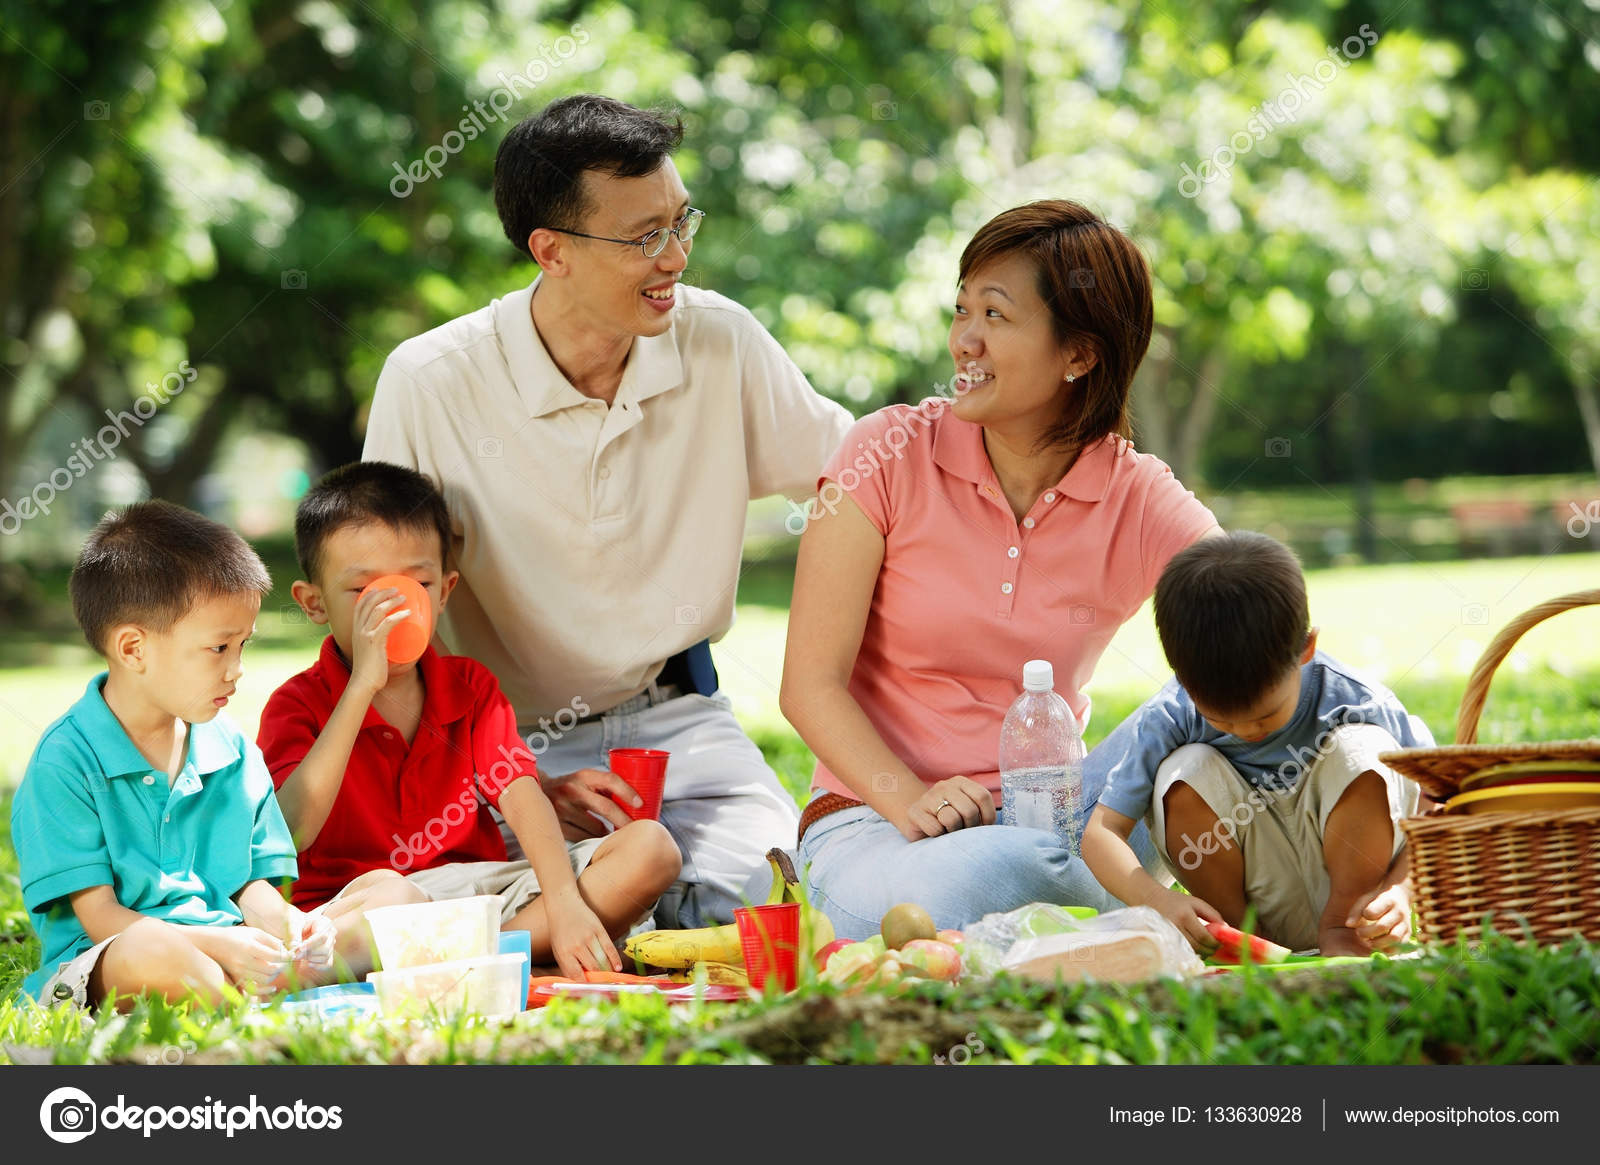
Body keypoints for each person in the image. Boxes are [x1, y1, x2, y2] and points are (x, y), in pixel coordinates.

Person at [362, 94, 852, 928]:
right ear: (549, 251)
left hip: (677, 722)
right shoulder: (430, 380)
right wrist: (496, 771)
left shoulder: (718, 342)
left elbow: (859, 485)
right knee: (460, 897)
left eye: (680, 221)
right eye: (642, 237)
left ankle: (611, 911)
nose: (676, 257)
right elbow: (378, 612)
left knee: (781, 898)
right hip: (501, 746)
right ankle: (596, 908)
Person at [782, 199, 1221, 940]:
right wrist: (909, 796)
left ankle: (1078, 905)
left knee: (1205, 731)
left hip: (1071, 815)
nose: (965, 341)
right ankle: (1115, 905)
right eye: (961, 311)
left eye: (995, 314)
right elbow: (808, 686)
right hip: (881, 829)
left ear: (1079, 355)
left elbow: (1252, 625)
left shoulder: (1135, 493)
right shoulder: (883, 453)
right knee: (976, 877)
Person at [258, 462, 681, 977]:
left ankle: (469, 954)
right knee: (392, 900)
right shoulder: (296, 704)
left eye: (417, 583)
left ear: (444, 591)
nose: (394, 609)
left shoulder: (470, 688)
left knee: (651, 849)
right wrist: (362, 685)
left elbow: (521, 797)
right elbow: (293, 832)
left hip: (480, 889)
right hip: (367, 902)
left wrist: (565, 902)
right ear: (313, 603)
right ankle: (499, 954)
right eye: (364, 591)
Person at [10, 501, 341, 1008]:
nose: (237, 670)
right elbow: (101, 920)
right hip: (112, 960)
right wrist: (217, 945)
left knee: (387, 891)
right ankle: (264, 1014)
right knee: (153, 952)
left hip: (230, 949)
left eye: (243, 646)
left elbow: (249, 886)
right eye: (219, 648)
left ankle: (284, 986)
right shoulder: (66, 761)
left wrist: (294, 927)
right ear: (133, 649)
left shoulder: (229, 749)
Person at [1080, 531, 1432, 956]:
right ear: (1180, 676)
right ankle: (1239, 938)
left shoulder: (1355, 698)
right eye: (1219, 719)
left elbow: (1439, 802)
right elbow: (1101, 833)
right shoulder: (1171, 713)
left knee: (1361, 749)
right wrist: (1158, 899)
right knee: (1185, 769)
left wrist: (1403, 890)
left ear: (1306, 649)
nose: (1245, 730)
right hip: (1251, 897)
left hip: (1355, 897)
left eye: (1265, 715)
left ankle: (1342, 930)